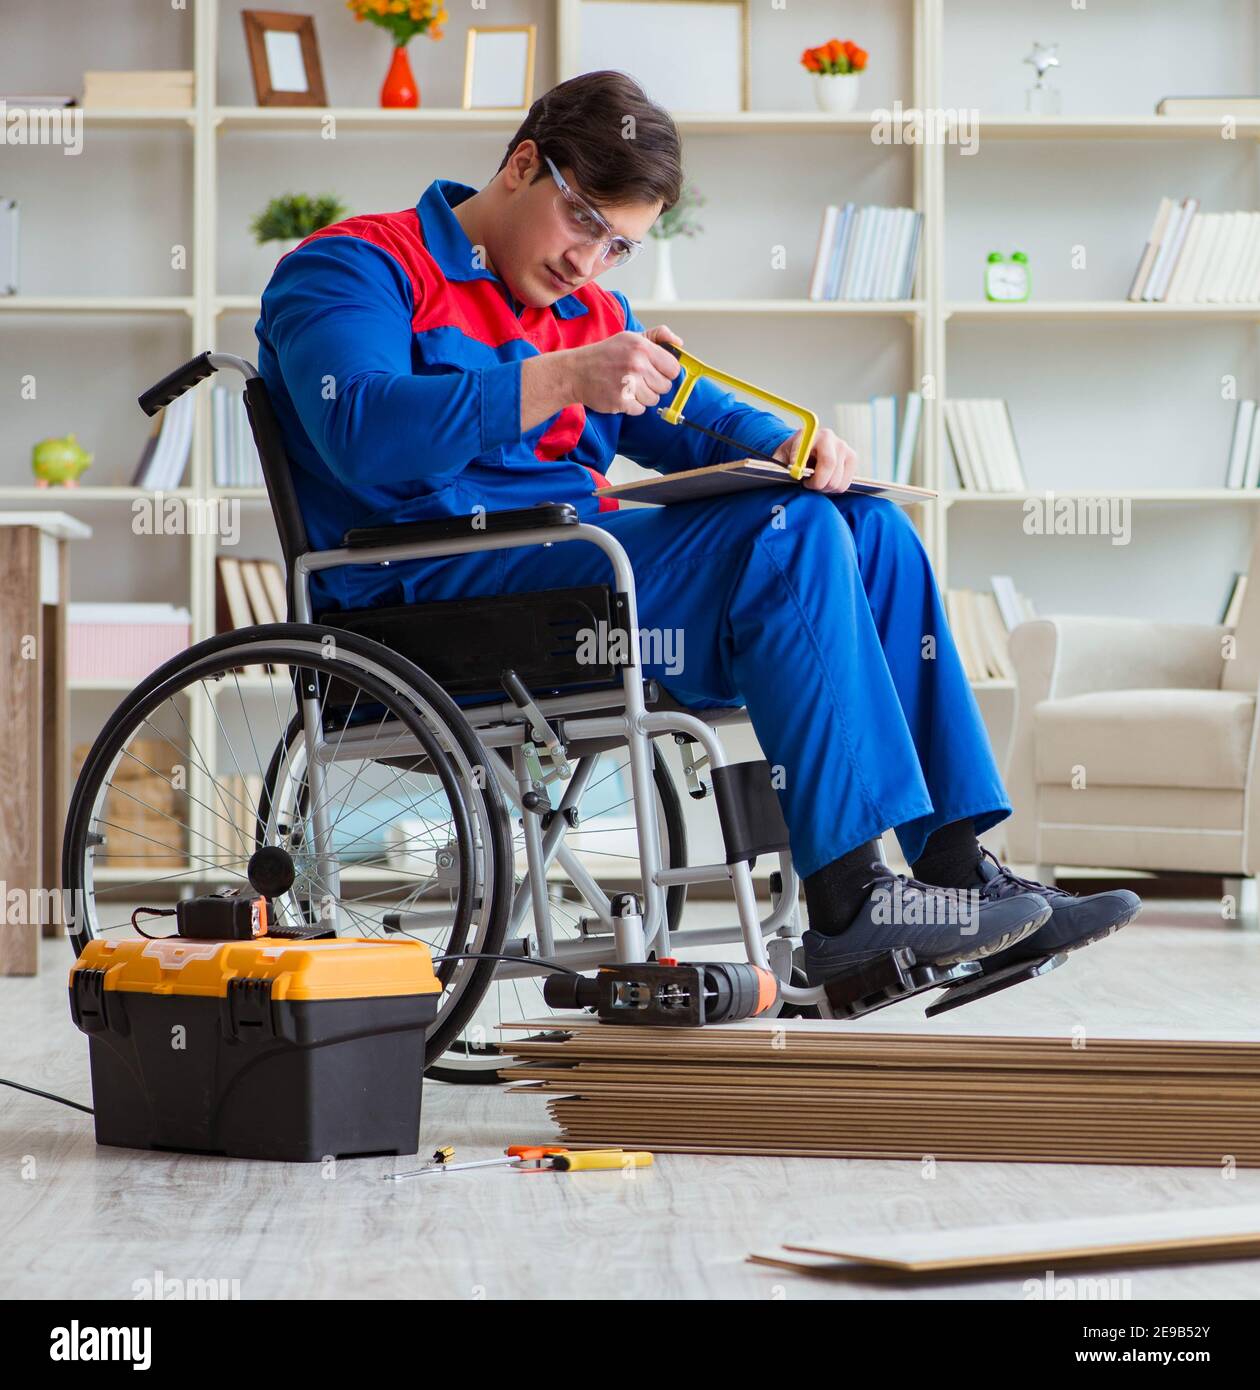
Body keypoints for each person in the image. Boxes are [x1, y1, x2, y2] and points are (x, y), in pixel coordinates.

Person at [255, 69, 1141, 986]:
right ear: (523, 164)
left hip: (584, 585)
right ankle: (849, 903)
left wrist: (801, 445)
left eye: (619, 247)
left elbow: (697, 413)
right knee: (784, 538)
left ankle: (956, 878)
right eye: (585, 221)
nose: (589, 262)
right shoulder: (356, 264)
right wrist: (563, 378)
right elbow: (358, 427)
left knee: (863, 525)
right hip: (432, 603)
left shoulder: (589, 313)